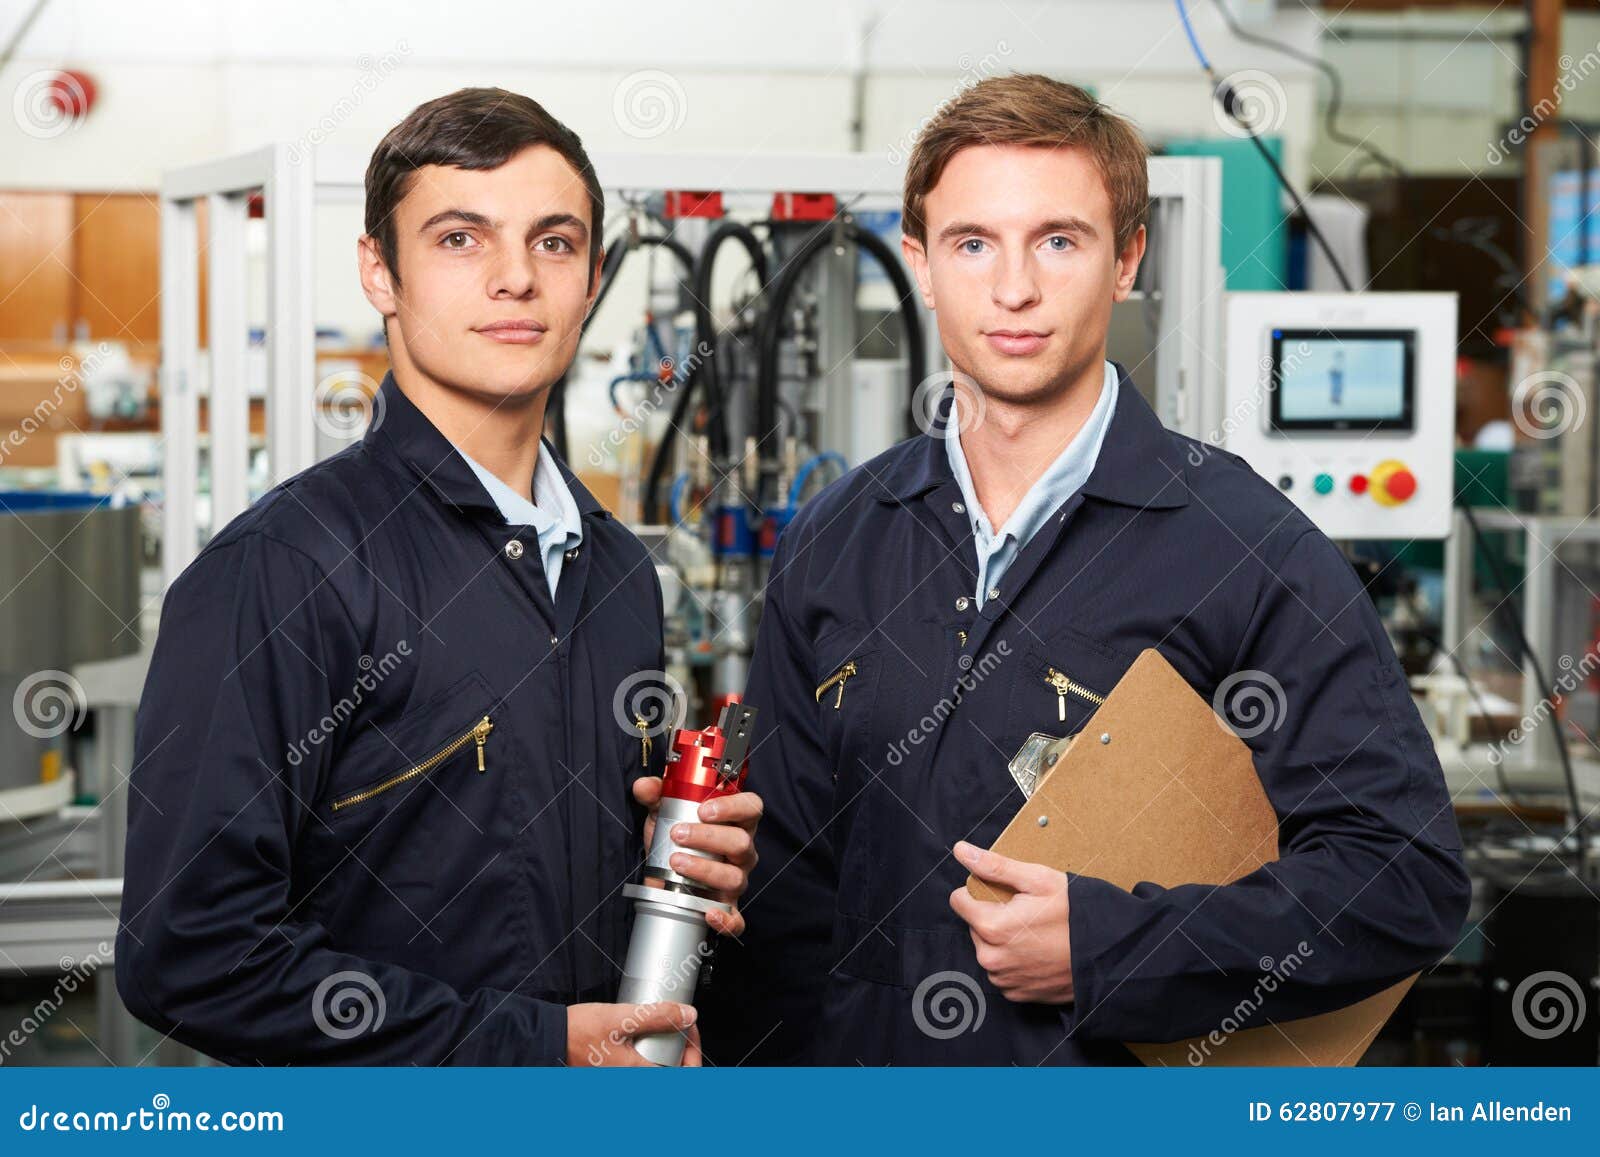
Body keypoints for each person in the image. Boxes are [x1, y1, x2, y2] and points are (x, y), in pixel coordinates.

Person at [700, 74, 1469, 1065]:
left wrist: (1114, 943)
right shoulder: (839, 536)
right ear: (920, 264)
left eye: (1057, 240)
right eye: (973, 243)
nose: (1012, 287)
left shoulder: (1244, 548)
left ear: (1126, 261)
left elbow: (1400, 877)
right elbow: (787, 894)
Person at [117, 87, 760, 1066]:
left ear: (592, 276)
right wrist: (533, 1049)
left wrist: (688, 877)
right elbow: (190, 954)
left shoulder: (620, 571)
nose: (515, 279)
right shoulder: (286, 570)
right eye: (460, 239)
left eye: (553, 242)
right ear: (380, 271)